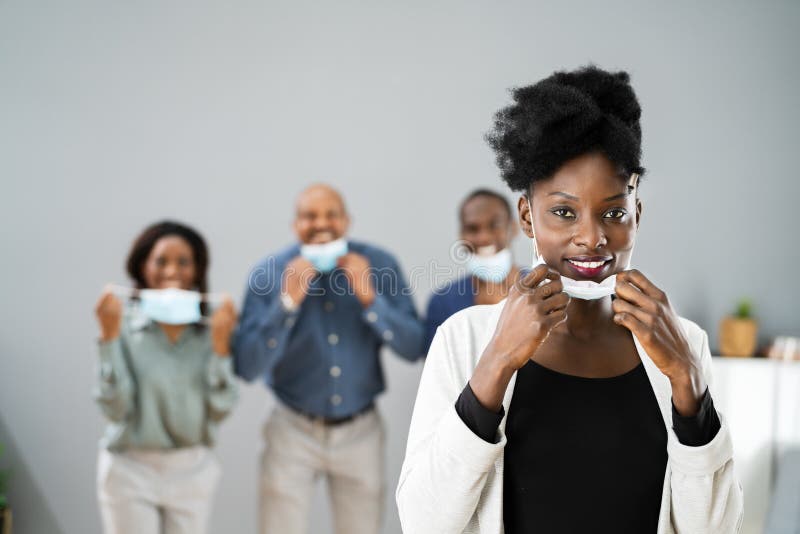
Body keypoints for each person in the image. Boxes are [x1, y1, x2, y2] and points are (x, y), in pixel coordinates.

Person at [396, 66, 743, 533]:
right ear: (527, 216)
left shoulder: (687, 348)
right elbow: (423, 524)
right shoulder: (465, 340)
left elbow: (717, 528)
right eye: (563, 212)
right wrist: (495, 363)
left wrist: (688, 386)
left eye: (614, 213)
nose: (592, 237)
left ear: (636, 214)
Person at [234, 183, 425, 534]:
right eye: (310, 215)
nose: (321, 223)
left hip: (361, 431)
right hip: (290, 428)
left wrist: (370, 298)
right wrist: (286, 303)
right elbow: (246, 366)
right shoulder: (268, 273)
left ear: (347, 221)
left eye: (331, 214)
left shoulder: (379, 265)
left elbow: (414, 347)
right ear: (295, 225)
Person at [93, 221, 239, 534]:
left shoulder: (211, 330)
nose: (172, 271)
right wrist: (108, 338)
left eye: (183, 262)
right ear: (142, 267)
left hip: (192, 468)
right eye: (161, 261)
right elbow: (115, 408)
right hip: (130, 467)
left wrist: (221, 346)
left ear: (198, 270)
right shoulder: (123, 326)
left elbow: (221, 408)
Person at [424, 188, 522, 352]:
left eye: (494, 225)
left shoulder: (543, 289)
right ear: (461, 235)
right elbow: (437, 372)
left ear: (513, 228)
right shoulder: (443, 301)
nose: (483, 237)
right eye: (472, 228)